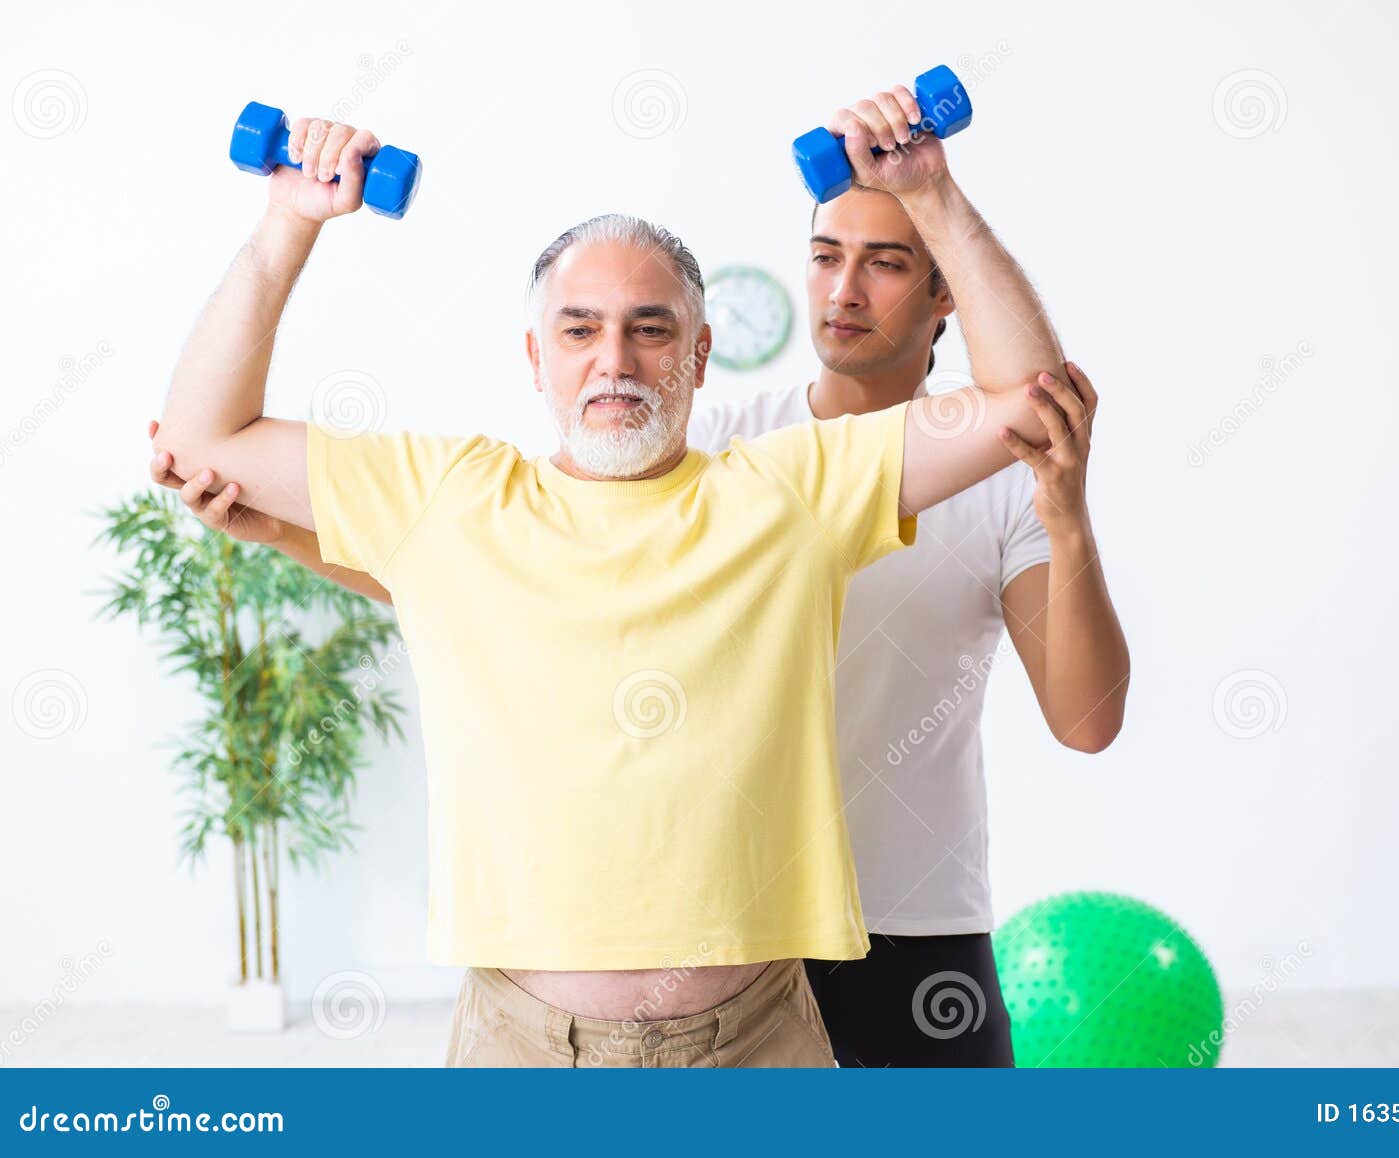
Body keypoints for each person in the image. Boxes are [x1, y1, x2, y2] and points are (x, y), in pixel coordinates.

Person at [150, 83, 1084, 1067]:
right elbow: (199, 434)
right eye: (579, 329)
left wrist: (930, 192)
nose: (614, 361)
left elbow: (1029, 400)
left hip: (758, 1041)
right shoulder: (447, 497)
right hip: (521, 1048)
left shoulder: (796, 487)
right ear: (535, 358)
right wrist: (288, 220)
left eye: (650, 327)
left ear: (699, 354)